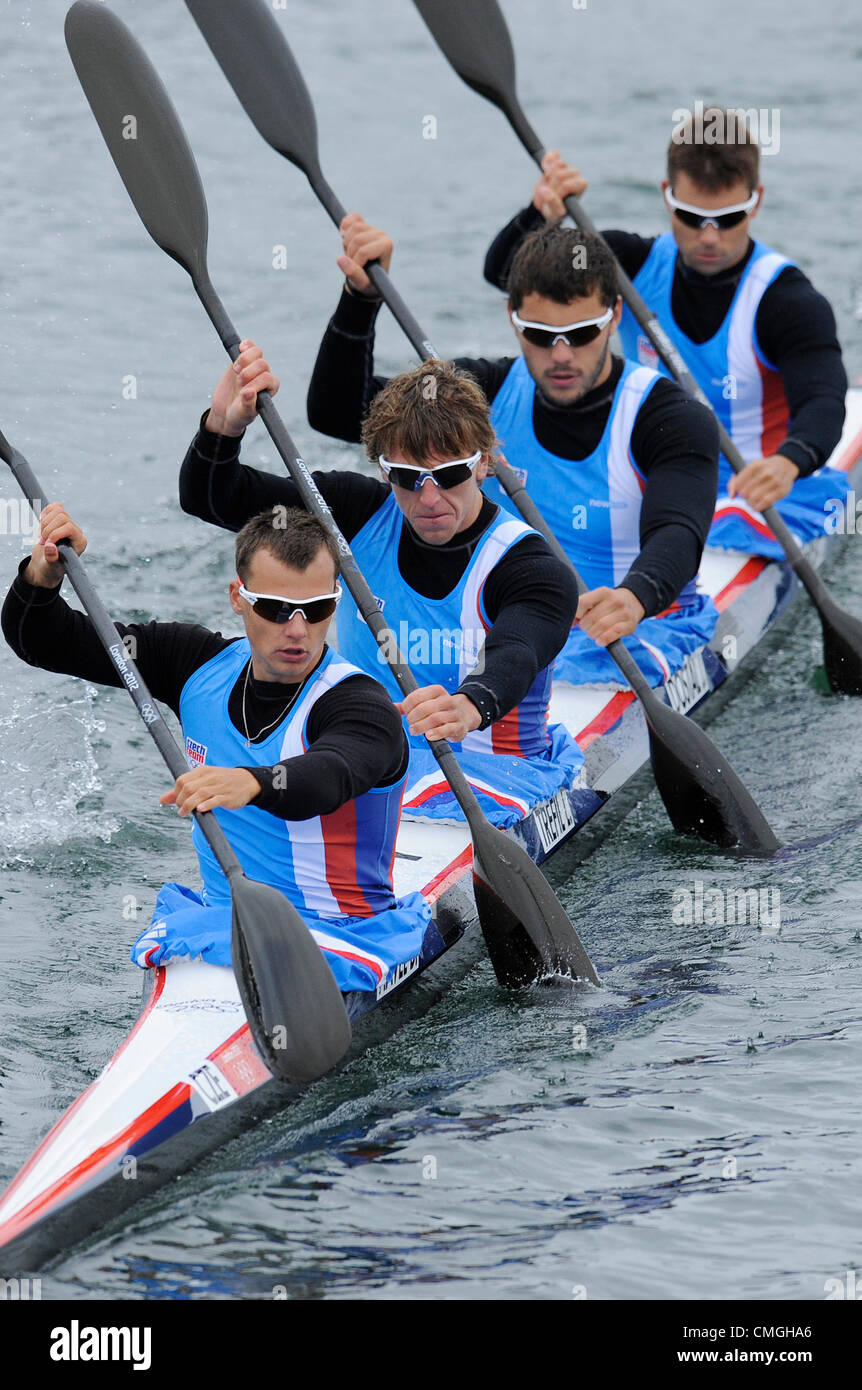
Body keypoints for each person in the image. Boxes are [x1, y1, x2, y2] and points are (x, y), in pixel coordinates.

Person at [2, 502, 431, 994]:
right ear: (237, 597)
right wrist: (43, 575)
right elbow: (44, 642)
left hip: (344, 935)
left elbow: (332, 775)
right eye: (273, 608)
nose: (296, 629)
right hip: (223, 925)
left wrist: (250, 782)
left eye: (316, 611)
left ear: (336, 600)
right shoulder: (190, 662)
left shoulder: (360, 705)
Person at [305, 213, 720, 688]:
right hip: (511, 632)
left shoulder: (670, 418)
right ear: (512, 320)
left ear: (615, 317)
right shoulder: (479, 397)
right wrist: (360, 300)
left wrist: (637, 594)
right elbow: (335, 413)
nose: (561, 355)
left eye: (581, 333)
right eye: (540, 335)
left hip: (636, 627)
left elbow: (678, 530)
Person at [179, 349, 582, 828]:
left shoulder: (531, 568)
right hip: (364, 759)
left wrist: (471, 703)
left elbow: (517, 650)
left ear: (484, 465)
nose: (429, 498)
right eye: (408, 478)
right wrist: (223, 430)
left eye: (449, 474)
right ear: (384, 470)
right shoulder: (356, 511)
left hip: (495, 776)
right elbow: (212, 498)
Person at [483, 109, 849, 556]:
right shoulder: (625, 264)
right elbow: (506, 275)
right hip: (653, 479)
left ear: (756, 200)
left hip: (751, 490)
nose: (710, 237)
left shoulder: (786, 301)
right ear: (667, 195)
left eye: (729, 217)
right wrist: (539, 214)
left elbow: (825, 399)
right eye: (693, 217)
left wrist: (791, 461)